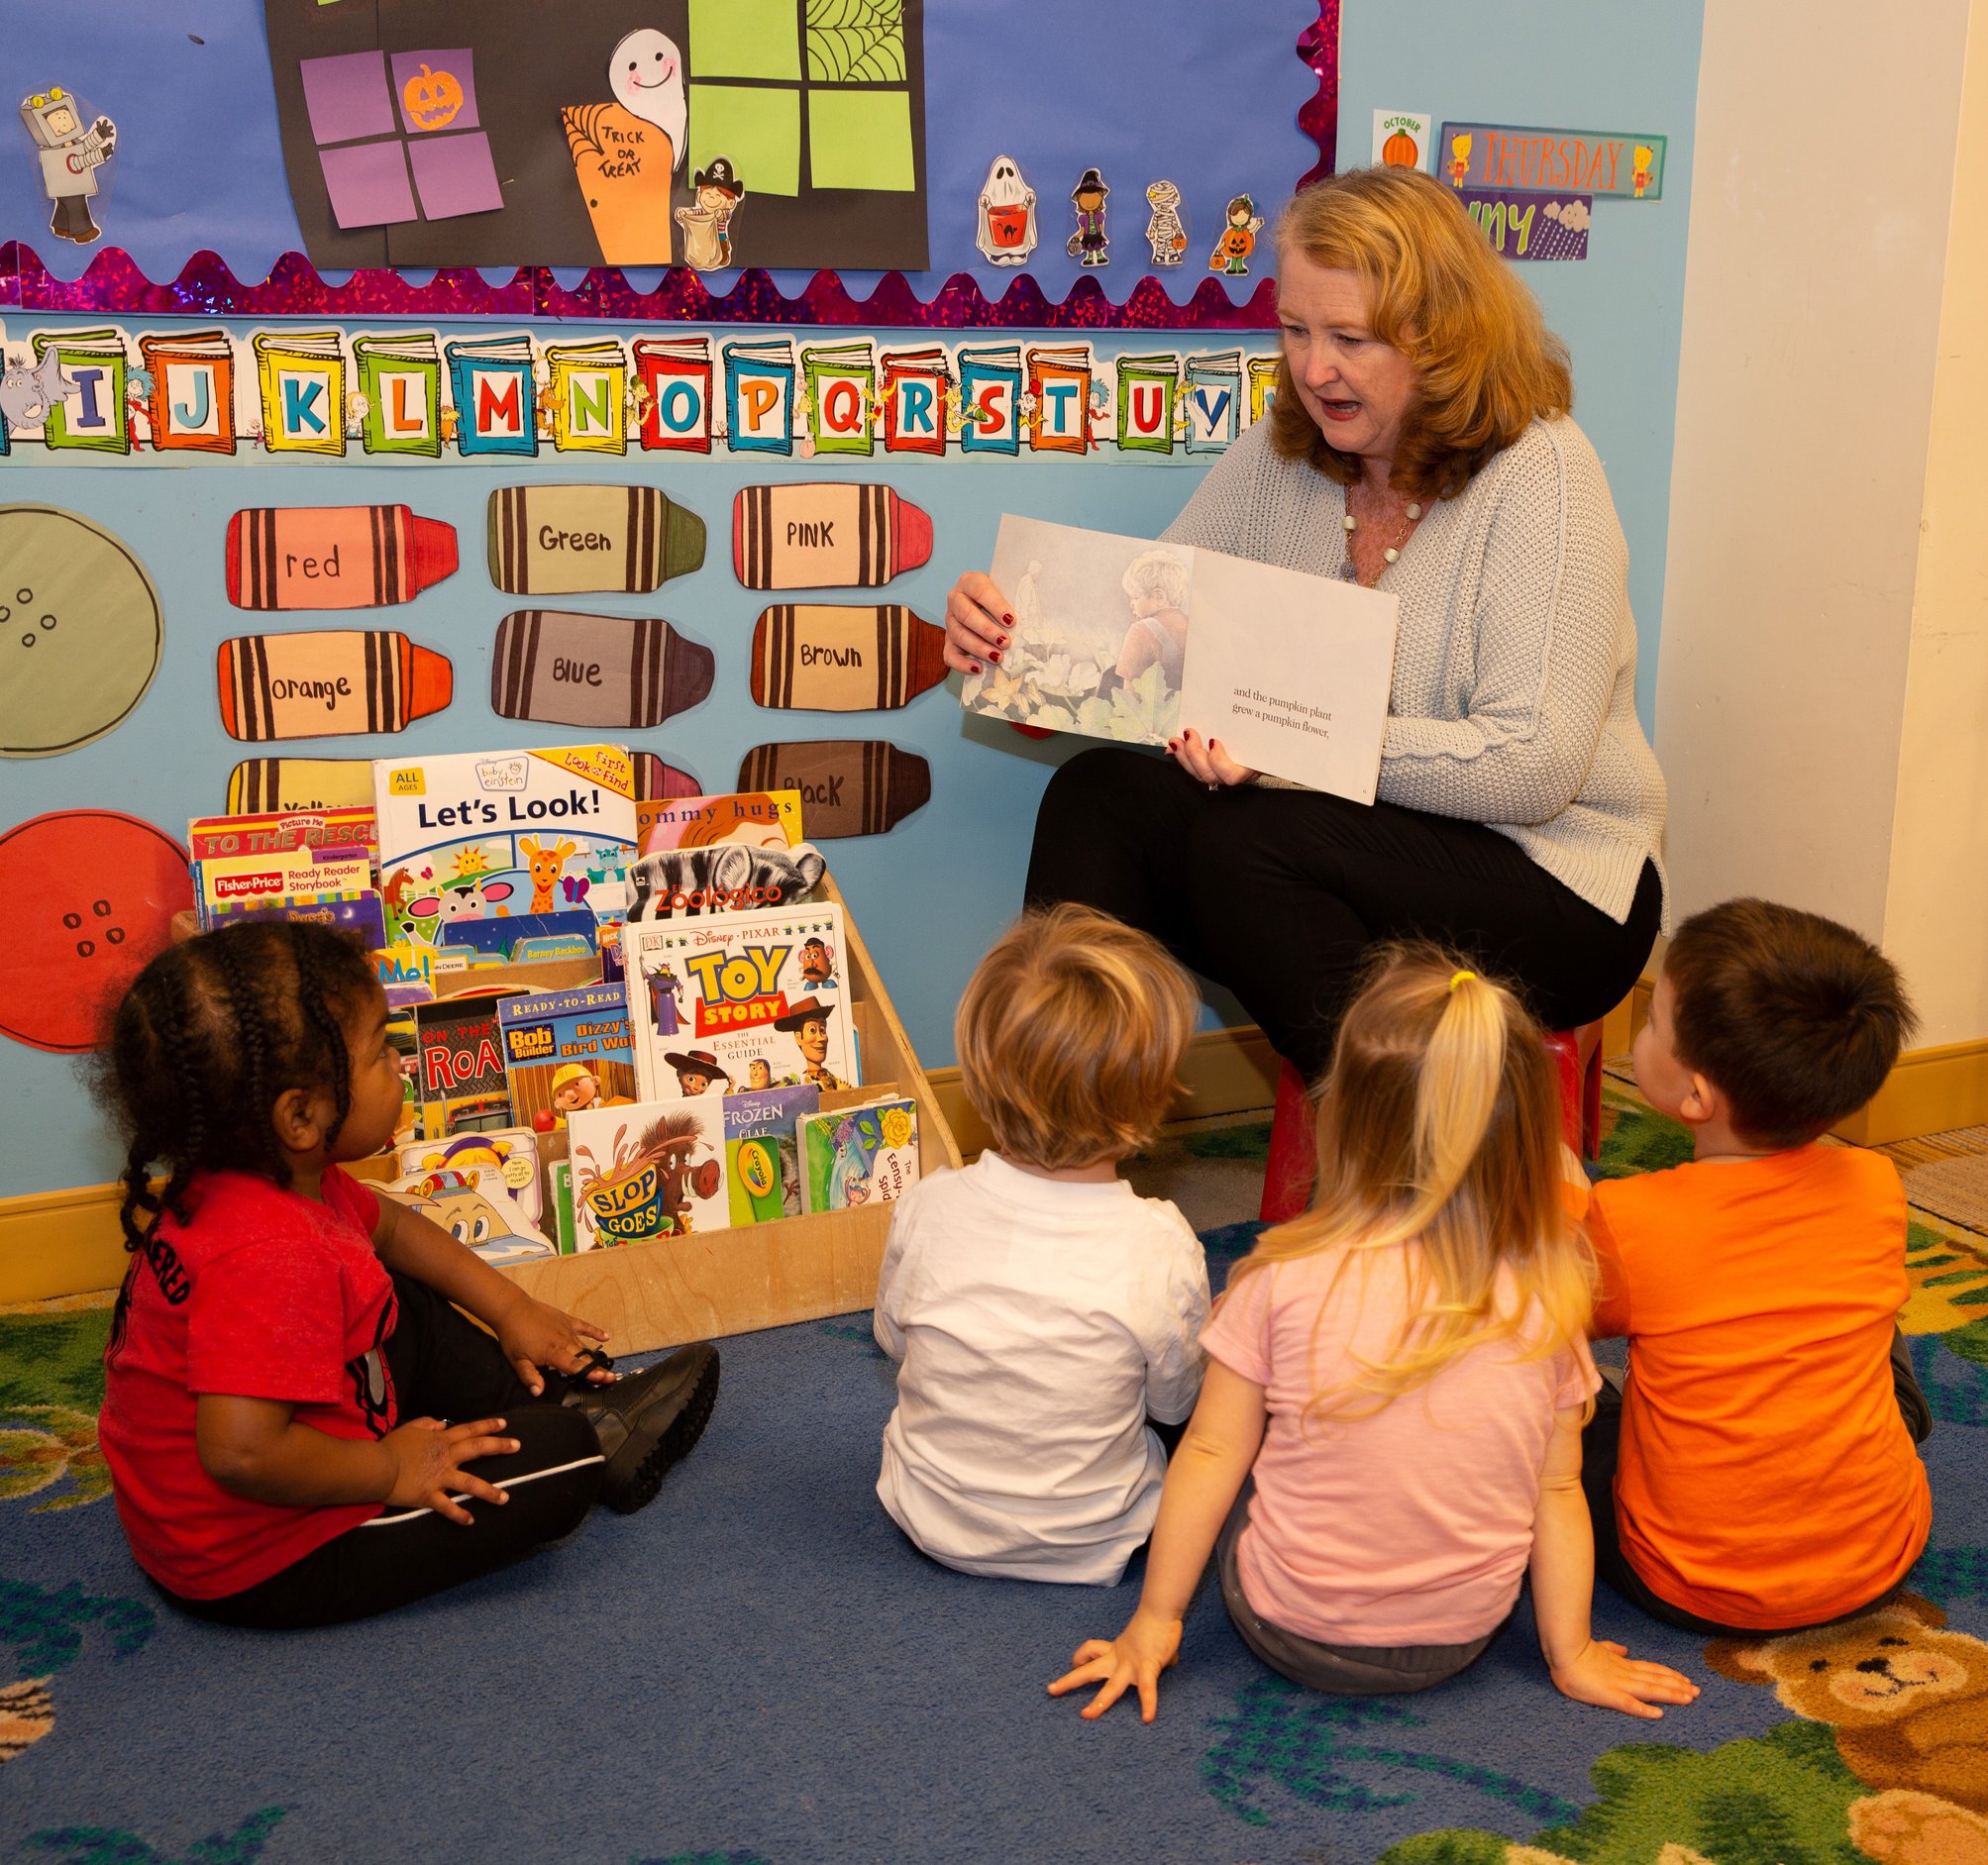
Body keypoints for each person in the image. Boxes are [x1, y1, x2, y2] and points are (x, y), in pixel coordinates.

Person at [945, 165, 1667, 1085]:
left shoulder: (1541, 473)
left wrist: (1290, 751)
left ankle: (1417, 1163)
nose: (1312, 367)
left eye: (1349, 339)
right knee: (1098, 796)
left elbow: (1531, 770)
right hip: (1328, 848)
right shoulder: (1284, 451)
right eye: (1294, 328)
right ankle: (1061, 1139)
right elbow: (1147, 638)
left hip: (1556, 882)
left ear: (1441, 338)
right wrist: (1012, 647)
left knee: (1250, 841)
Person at [1048, 951, 1698, 1720]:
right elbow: (1556, 1491)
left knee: (1225, 1437)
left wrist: (1154, 1621)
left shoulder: (1276, 1280)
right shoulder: (1549, 1301)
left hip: (1284, 1627)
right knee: (1536, 1450)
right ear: (1529, 1142)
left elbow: (1215, 1455)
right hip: (1461, 1639)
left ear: (1341, 1118)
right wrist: (1573, 1653)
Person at [92, 920, 721, 1630]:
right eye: (378, 1052)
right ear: (300, 1115)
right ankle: (588, 1436)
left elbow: (391, 1228)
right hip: (263, 1554)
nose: (401, 1063)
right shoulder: (269, 1254)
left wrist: (511, 1306)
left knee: (392, 1289)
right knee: (564, 1465)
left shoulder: (268, 1178)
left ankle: (570, 1402)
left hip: (264, 1462)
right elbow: (241, 1451)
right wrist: (391, 1470)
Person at [1583, 898, 1933, 1635]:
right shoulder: (1877, 1184)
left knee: (1572, 1420)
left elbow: (1553, 1310)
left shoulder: (1627, 1216)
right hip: (1879, 1557)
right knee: (1863, 1316)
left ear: (1696, 1095)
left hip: (1691, 1584)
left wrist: (1551, 1188)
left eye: (1653, 1020)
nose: (1642, 1029)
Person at [873, 904, 1209, 1584]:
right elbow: (1174, 1404)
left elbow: (893, 1338)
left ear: (976, 1075)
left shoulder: (925, 1204)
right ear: (1150, 1096)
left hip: (928, 1513)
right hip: (1092, 1534)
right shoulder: (1160, 1245)